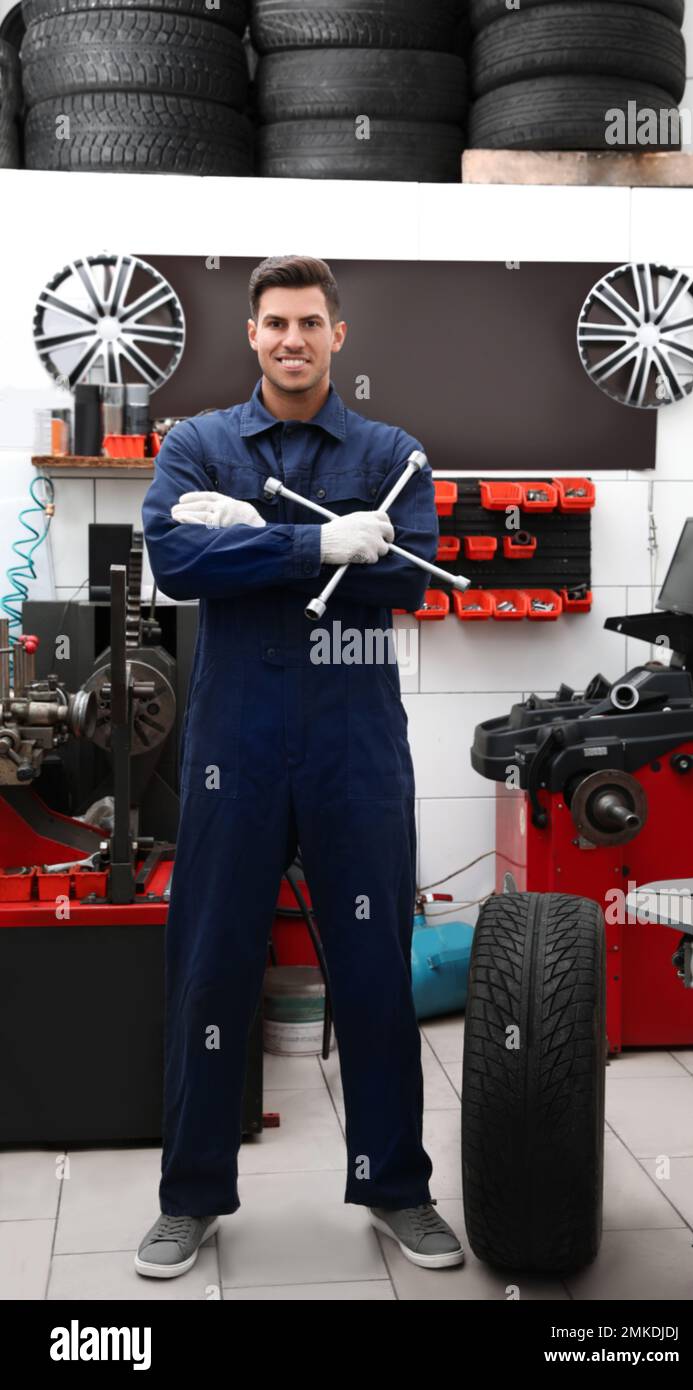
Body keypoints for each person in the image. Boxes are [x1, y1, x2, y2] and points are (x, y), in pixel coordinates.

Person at [136, 254, 464, 1278]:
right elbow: (173, 562)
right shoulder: (197, 443)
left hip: (352, 739)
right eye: (275, 322)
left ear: (337, 336)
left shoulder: (390, 452)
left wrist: (266, 548)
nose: (291, 339)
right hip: (235, 739)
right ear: (252, 334)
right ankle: (190, 1196)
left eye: (309, 323)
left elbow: (408, 583)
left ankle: (396, 1187)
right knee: (210, 969)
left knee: (372, 975)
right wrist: (313, 550)